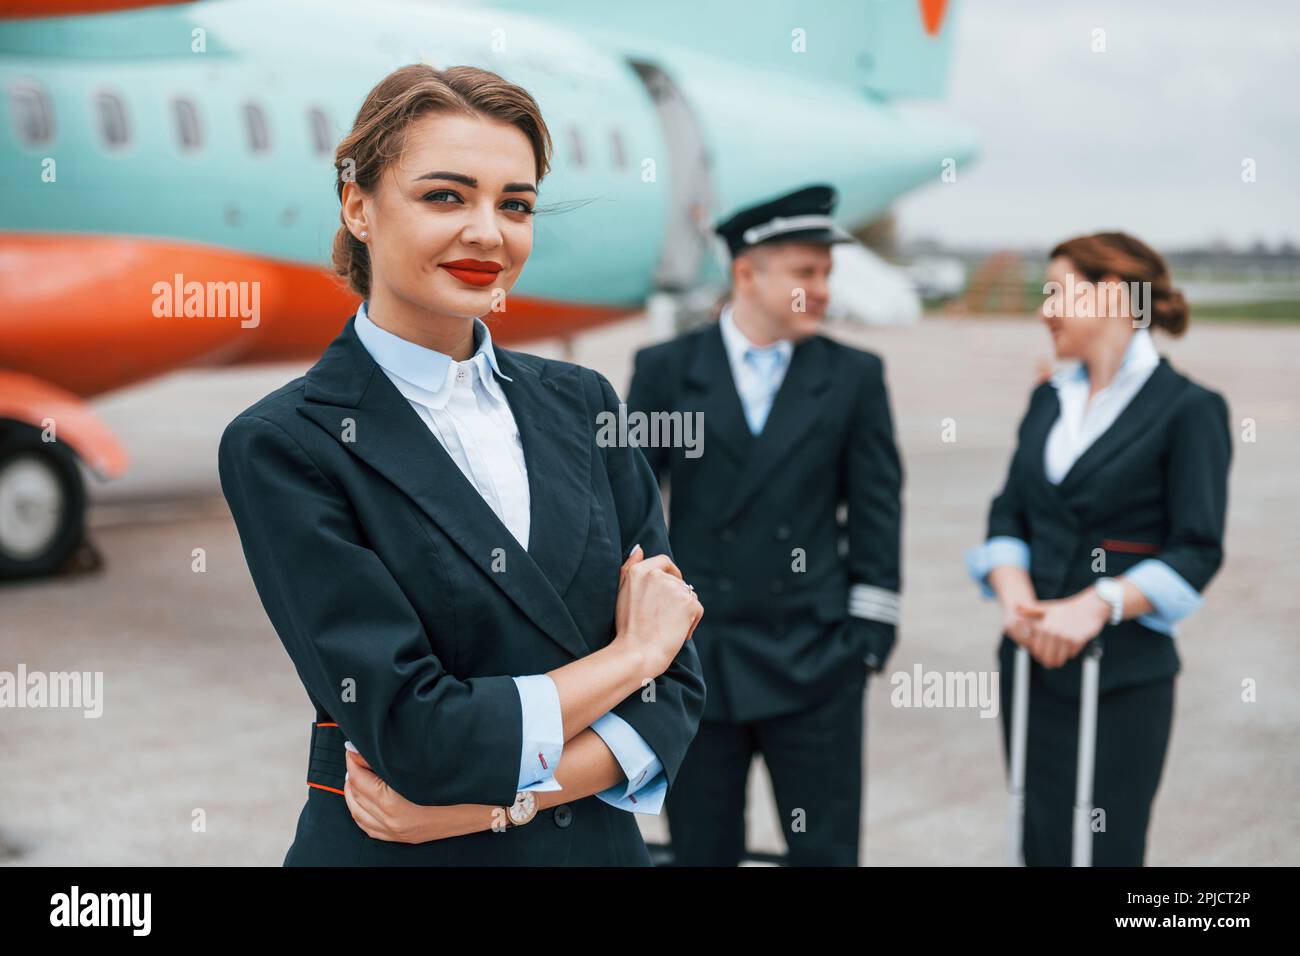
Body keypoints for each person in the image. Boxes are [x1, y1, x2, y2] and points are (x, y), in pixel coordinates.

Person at [217, 64, 705, 866]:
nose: (488, 232)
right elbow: (417, 733)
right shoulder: (283, 443)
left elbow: (675, 690)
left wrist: (494, 809)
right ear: (358, 207)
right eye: (446, 196)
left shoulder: (585, 404)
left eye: (514, 204)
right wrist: (629, 656)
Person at [626, 184, 904, 866]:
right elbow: (628, 509)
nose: (824, 289)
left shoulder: (853, 375)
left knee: (827, 852)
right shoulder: (666, 370)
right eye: (806, 273)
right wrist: (639, 640)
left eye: (828, 273)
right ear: (747, 273)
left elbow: (877, 509)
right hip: (698, 661)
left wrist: (865, 640)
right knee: (700, 850)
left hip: (814, 660)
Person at [966, 231, 1232, 866]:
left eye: (1057, 292)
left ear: (1111, 294)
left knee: (1106, 850)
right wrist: (1016, 597)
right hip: (1030, 664)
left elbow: (1197, 548)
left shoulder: (1190, 410)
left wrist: (1096, 604)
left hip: (1123, 676)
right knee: (1039, 842)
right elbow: (1009, 512)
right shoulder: (1047, 399)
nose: (1043, 310)